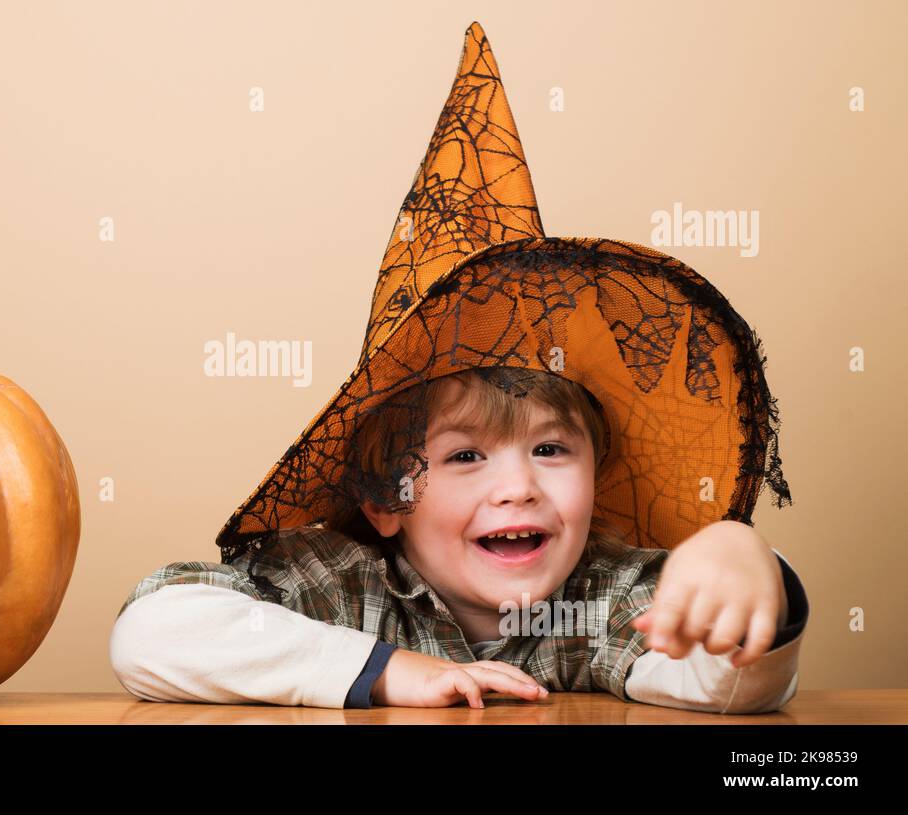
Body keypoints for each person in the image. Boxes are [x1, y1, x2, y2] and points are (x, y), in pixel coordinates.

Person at [110, 21, 805, 713]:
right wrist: (386, 670)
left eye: (551, 448)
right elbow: (150, 632)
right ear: (385, 498)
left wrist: (750, 568)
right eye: (467, 454)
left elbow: (729, 690)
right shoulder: (342, 584)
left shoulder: (602, 595)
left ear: (597, 466)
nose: (519, 486)